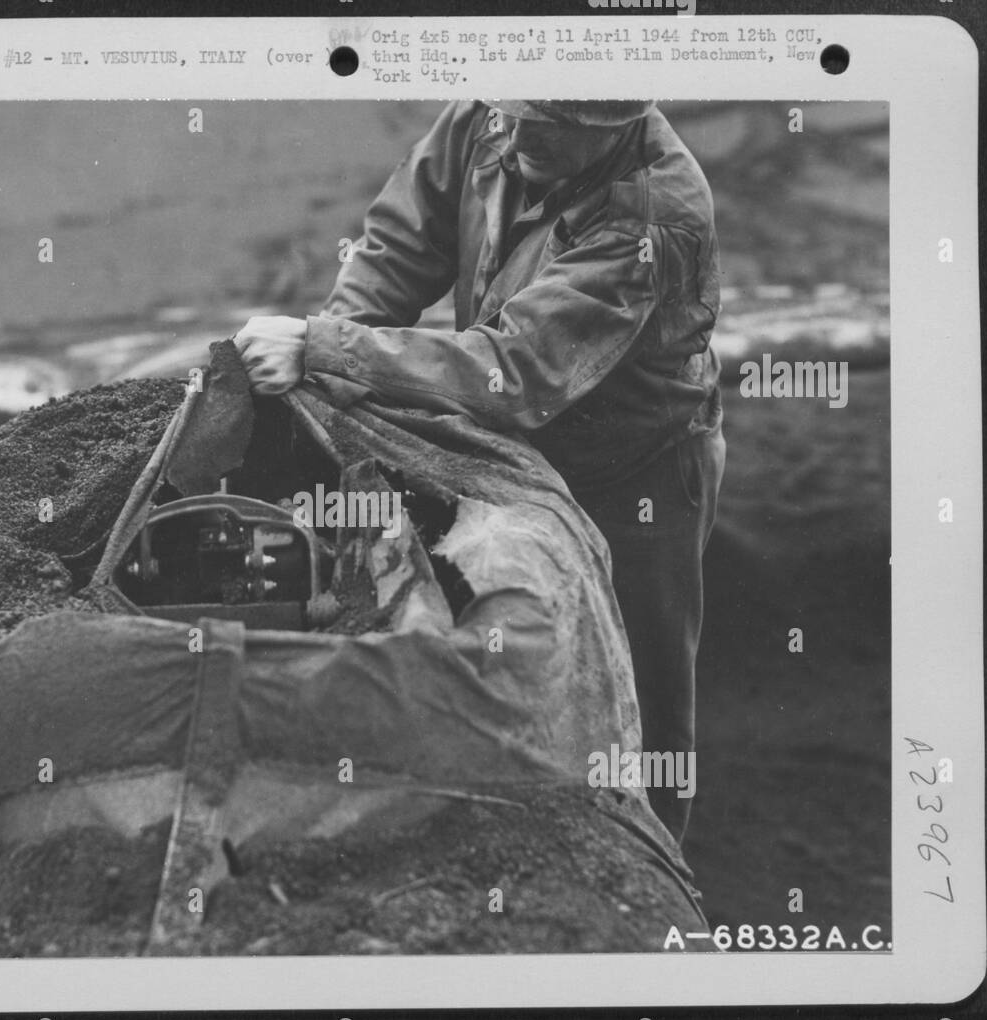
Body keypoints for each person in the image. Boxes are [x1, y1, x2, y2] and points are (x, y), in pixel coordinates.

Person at [234, 100, 725, 843]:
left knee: (639, 696)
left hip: (634, 472)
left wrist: (327, 348)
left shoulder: (654, 217)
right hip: (508, 446)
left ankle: (644, 882)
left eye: (549, 126)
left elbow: (516, 369)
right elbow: (400, 244)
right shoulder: (492, 113)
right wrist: (330, 369)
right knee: (496, 631)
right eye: (513, 112)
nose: (517, 138)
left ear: (613, 125)